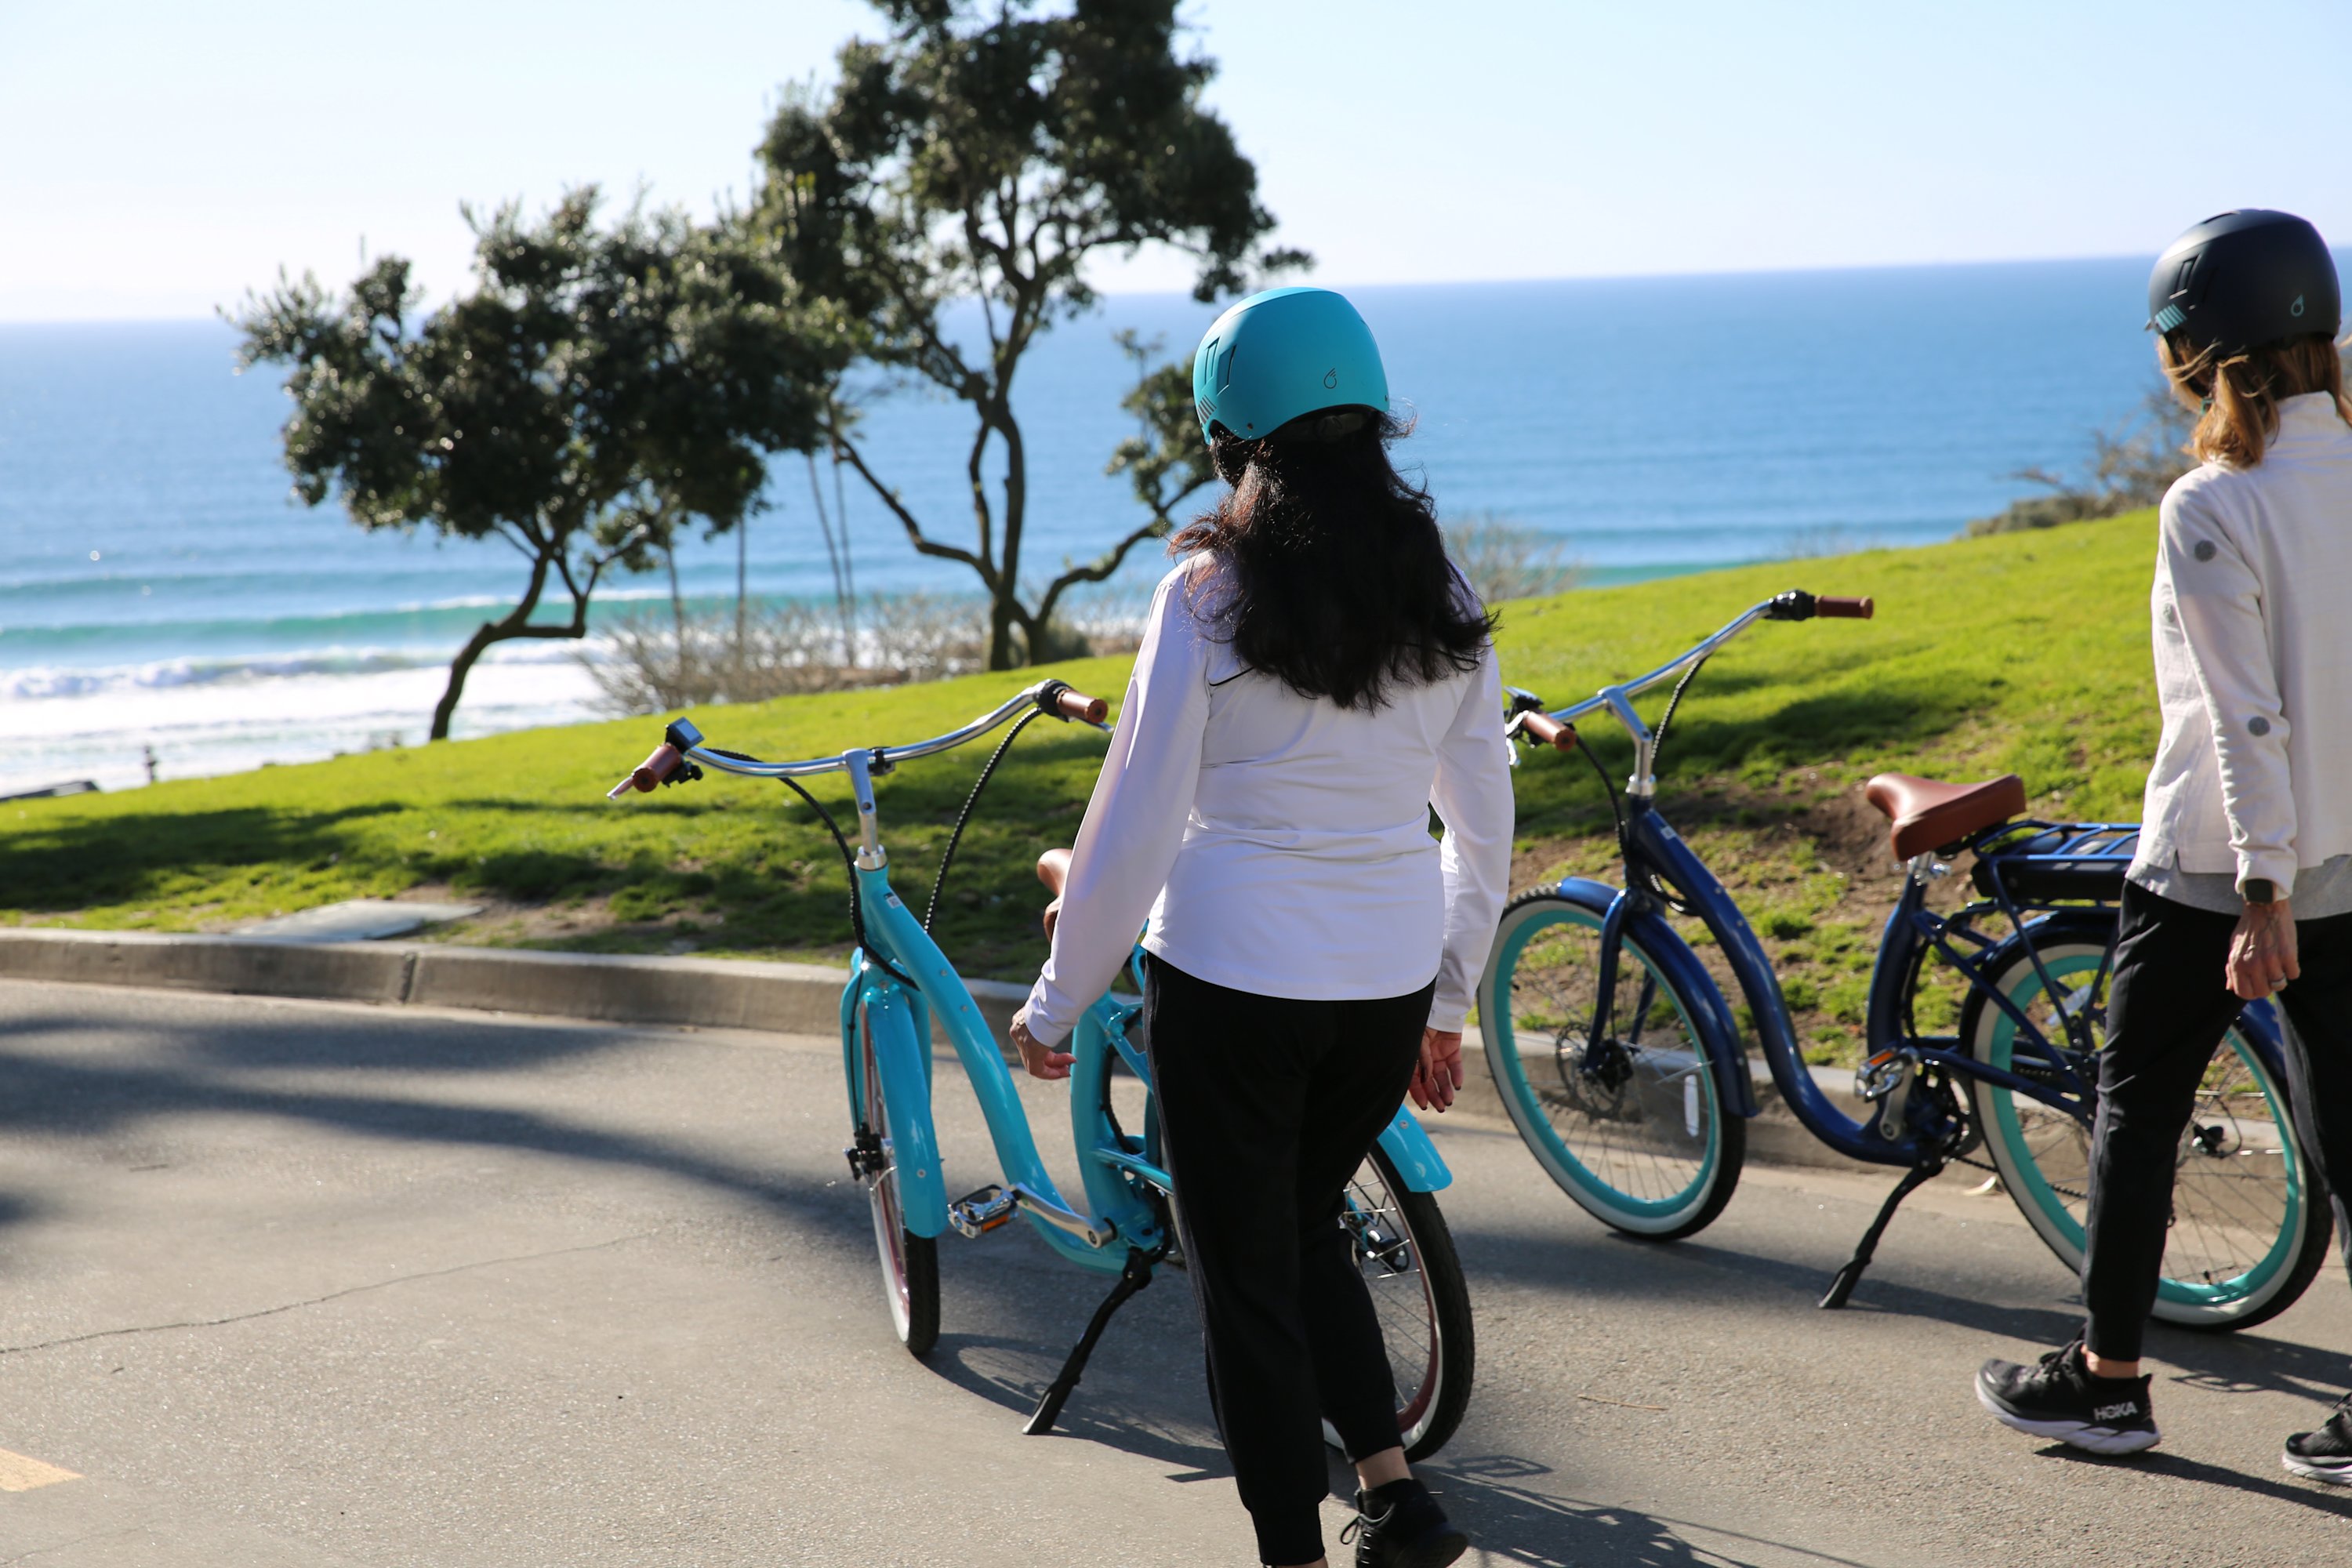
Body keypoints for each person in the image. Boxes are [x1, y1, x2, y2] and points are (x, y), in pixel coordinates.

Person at [1009, 285, 1514, 1567]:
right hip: (1386, 986)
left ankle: (1292, 1550)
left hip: (1232, 989)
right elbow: (1484, 820)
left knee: (1244, 1286)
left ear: (1235, 438)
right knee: (1296, 1227)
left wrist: (1059, 1004)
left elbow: (1130, 831)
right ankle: (1397, 1497)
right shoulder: (1441, 588)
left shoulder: (1203, 601)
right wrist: (1448, 998)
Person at [1975, 209, 2352, 1482]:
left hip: (2214, 873)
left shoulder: (2213, 503)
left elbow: (2248, 716)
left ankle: (2107, 1385)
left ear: (2202, 347)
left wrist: (2260, 891)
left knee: (2136, 1115)